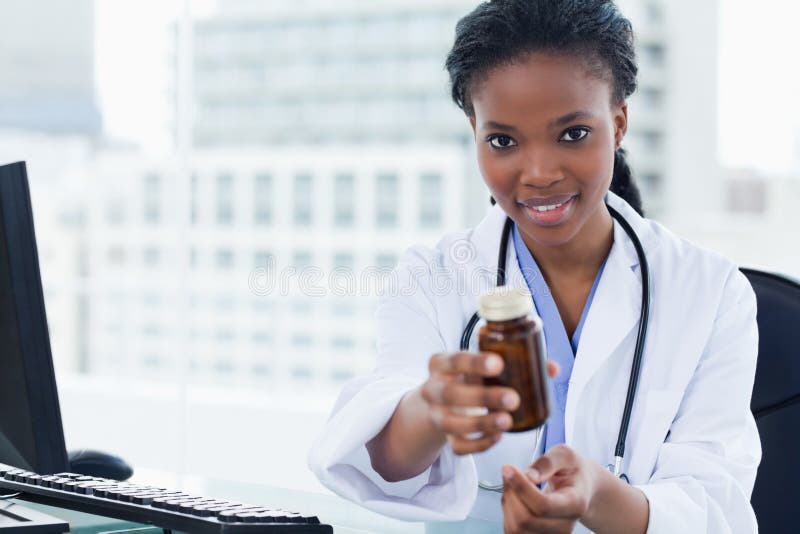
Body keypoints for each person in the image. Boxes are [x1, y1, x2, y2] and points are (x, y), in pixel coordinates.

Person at [308, 1, 761, 532]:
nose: (540, 173)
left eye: (573, 134)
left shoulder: (711, 291)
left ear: (617, 124)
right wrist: (431, 411)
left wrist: (597, 498)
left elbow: (716, 503)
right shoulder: (433, 277)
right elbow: (381, 463)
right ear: (474, 131)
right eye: (503, 141)